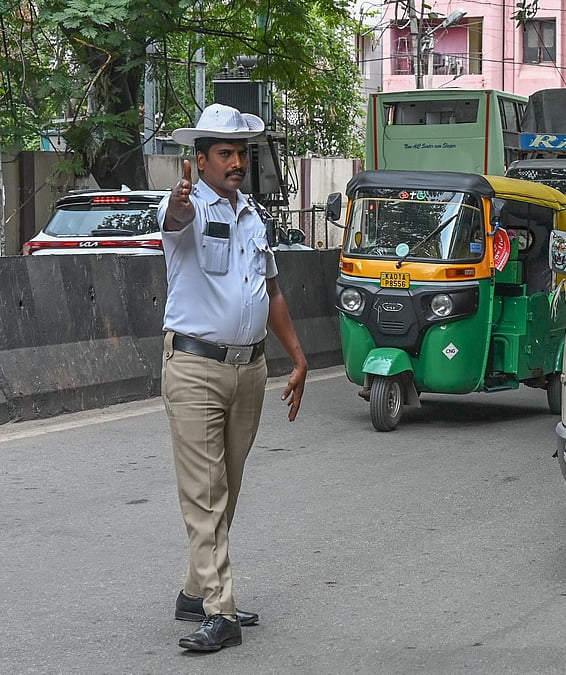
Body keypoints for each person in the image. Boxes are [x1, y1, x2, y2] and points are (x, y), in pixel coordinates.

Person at [157, 103, 308, 652]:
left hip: (249, 370)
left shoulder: (253, 216)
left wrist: (298, 358)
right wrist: (179, 203)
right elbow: (173, 221)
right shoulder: (184, 206)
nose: (237, 162)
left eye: (241, 153)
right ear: (200, 160)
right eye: (225, 153)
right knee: (207, 493)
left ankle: (196, 590)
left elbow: (272, 292)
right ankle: (219, 610)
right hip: (195, 367)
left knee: (228, 488)